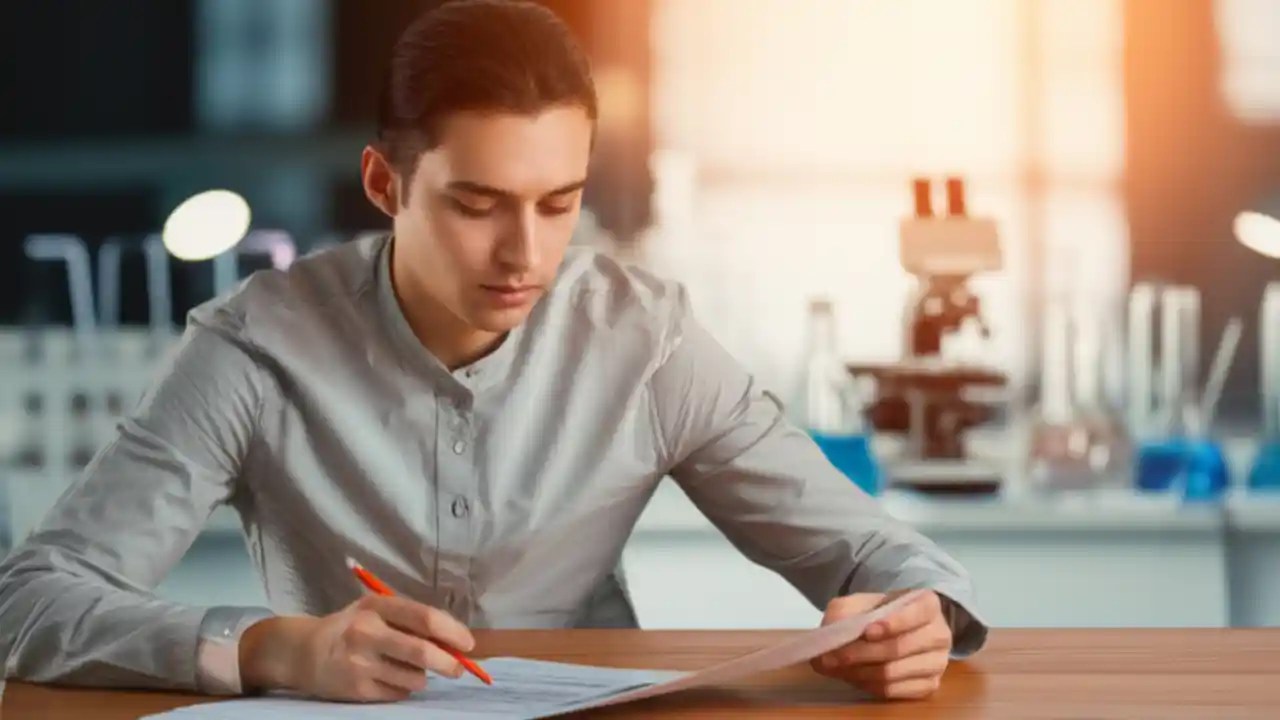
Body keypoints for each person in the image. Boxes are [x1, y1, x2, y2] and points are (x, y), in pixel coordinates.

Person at [0, 0, 986, 704]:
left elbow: (883, 555)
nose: (526, 254)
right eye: (476, 206)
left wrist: (914, 617)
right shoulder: (254, 349)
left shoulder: (645, 340)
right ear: (385, 185)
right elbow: (31, 604)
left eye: (559, 204)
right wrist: (276, 649)